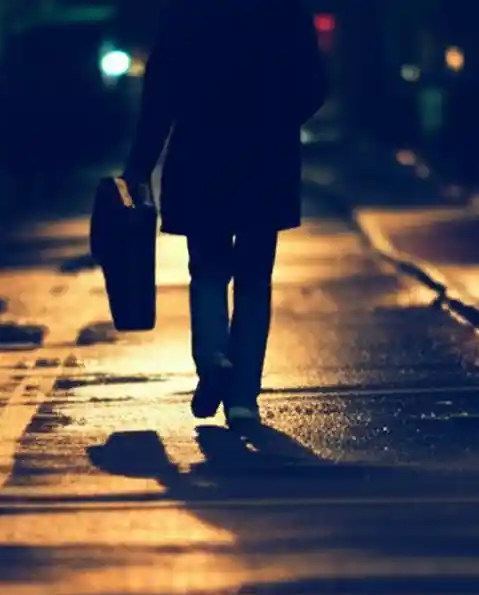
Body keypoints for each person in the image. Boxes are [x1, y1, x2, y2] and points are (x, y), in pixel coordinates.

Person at [124, 0, 327, 425]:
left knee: (209, 270)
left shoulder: (187, 12)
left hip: (201, 155)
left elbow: (160, 92)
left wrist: (140, 164)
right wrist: (280, 118)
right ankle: (243, 399)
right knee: (254, 277)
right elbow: (315, 83)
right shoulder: (283, 12)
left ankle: (214, 359)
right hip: (266, 156)